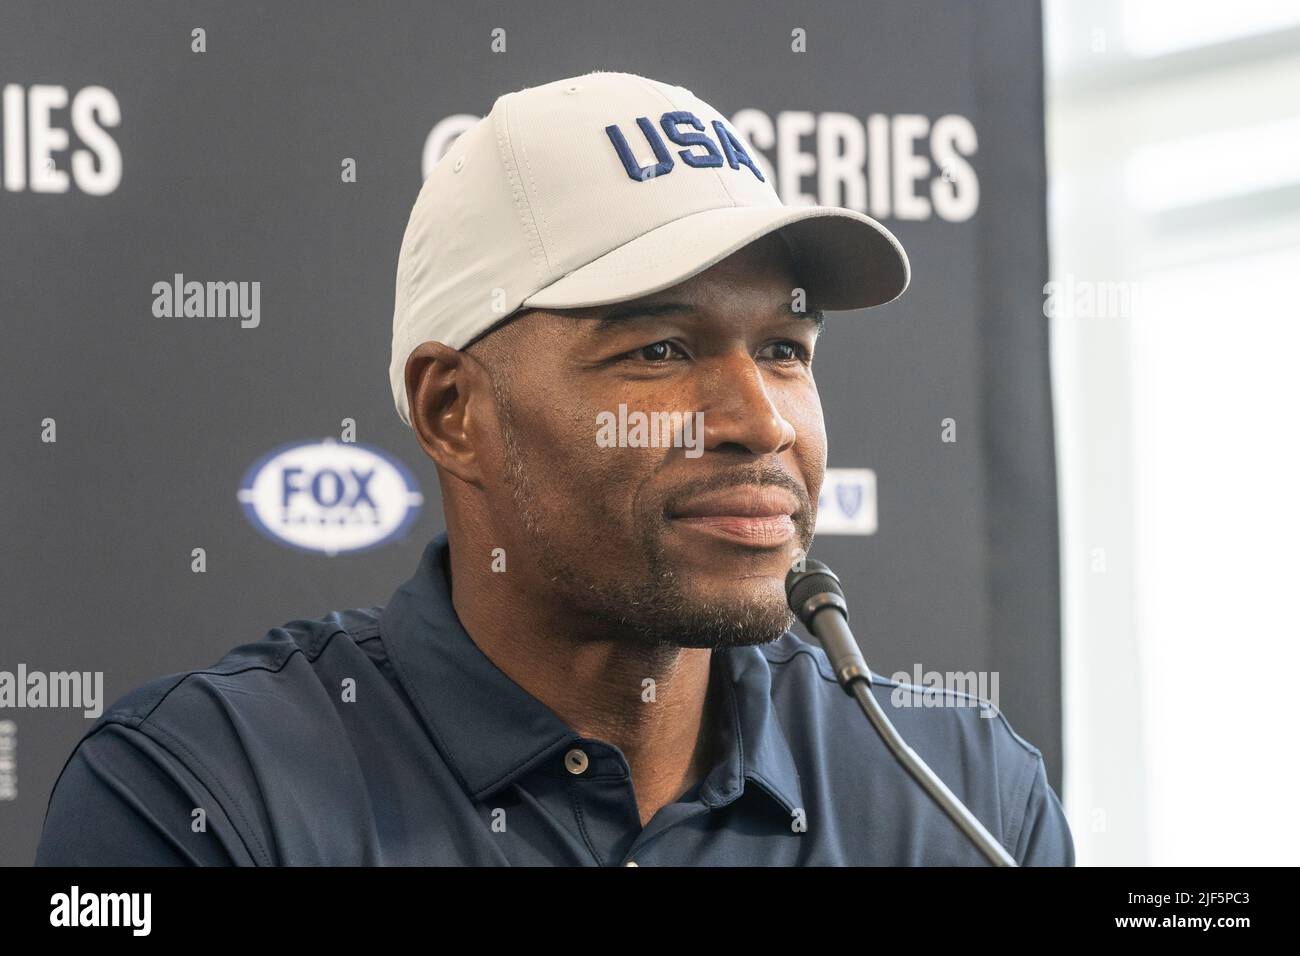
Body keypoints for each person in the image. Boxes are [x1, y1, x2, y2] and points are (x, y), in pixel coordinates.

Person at [35, 71, 1073, 866]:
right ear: (455, 412)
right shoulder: (199, 792)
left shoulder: (963, 796)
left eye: (784, 349)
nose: (760, 421)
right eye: (660, 350)